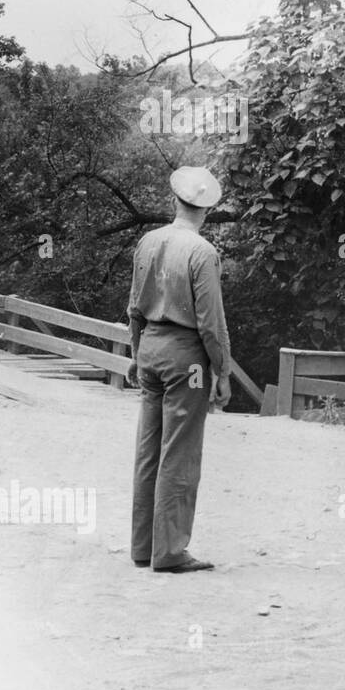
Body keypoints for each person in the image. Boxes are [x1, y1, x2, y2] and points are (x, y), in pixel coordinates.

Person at [127, 166, 232, 573]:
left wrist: (137, 353)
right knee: (180, 454)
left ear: (175, 201)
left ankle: (143, 546)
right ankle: (169, 551)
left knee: (148, 450)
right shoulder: (202, 252)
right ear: (206, 210)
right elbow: (211, 321)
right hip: (186, 358)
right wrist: (221, 371)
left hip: (151, 348)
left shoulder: (149, 241)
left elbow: (134, 305)